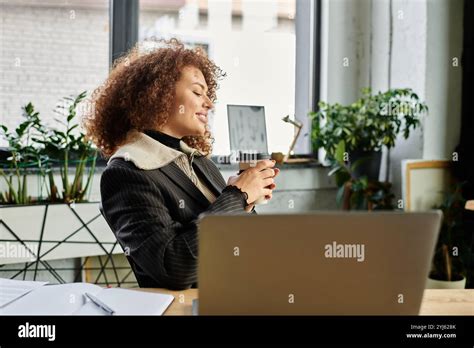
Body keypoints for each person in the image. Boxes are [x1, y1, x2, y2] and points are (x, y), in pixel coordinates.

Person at [83, 39, 279, 290]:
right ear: (158, 95)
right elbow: (174, 266)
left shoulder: (200, 163)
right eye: (197, 92)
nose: (209, 103)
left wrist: (247, 200)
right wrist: (237, 195)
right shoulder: (126, 174)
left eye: (208, 95)